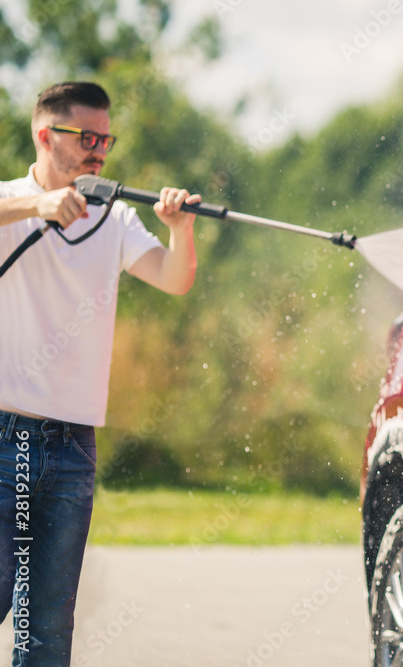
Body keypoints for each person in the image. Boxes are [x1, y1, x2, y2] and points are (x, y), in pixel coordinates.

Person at [0, 81, 200, 665]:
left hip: (73, 448)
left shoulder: (115, 219)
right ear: (45, 135)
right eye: (86, 138)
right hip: (4, 437)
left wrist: (180, 229)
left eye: (105, 140)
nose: (99, 151)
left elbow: (173, 278)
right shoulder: (11, 200)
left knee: (47, 630)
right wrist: (38, 207)